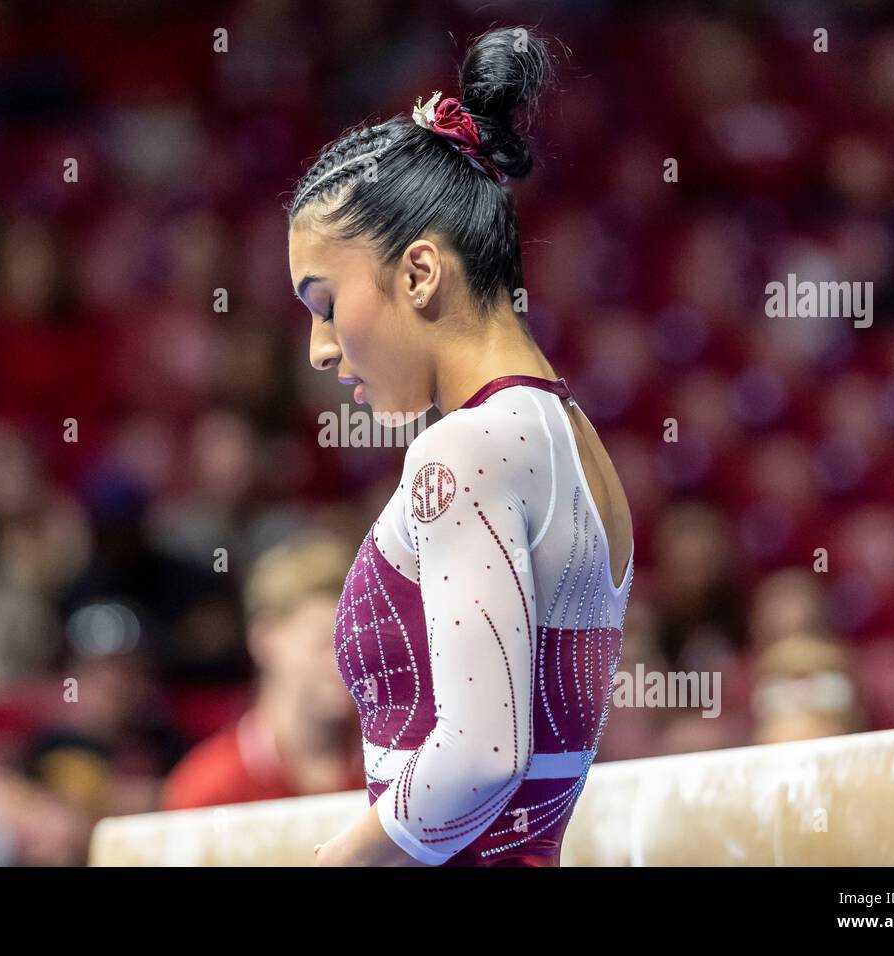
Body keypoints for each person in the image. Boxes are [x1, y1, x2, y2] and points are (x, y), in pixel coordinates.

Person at [288, 27, 634, 866]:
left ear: (418, 273)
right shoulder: (565, 439)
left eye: (326, 303)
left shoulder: (467, 450)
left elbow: (480, 756)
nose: (320, 349)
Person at [161, 529, 365, 810]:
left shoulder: (400, 776)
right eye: (322, 644)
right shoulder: (209, 788)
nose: (344, 663)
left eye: (354, 644)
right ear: (265, 640)